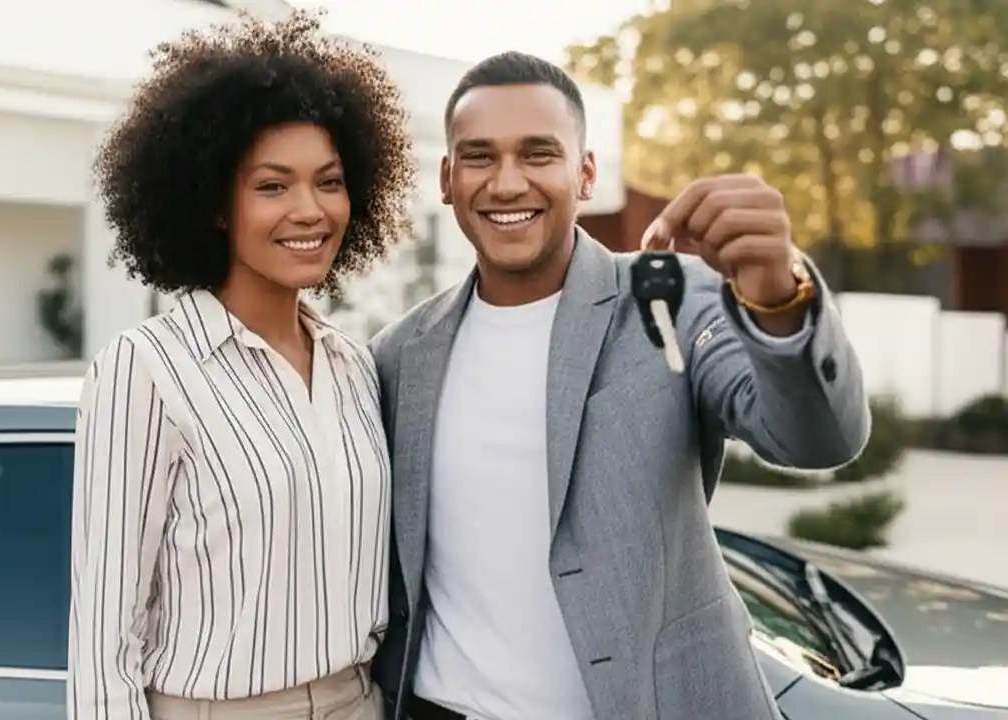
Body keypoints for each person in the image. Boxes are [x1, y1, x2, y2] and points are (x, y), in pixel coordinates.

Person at [368, 51, 870, 720]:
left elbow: (815, 439)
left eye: (538, 154)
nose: (507, 182)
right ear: (447, 178)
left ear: (586, 172)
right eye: (480, 156)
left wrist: (779, 298)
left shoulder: (669, 301)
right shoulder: (400, 353)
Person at [68, 12, 415, 720]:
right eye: (272, 186)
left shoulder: (354, 366)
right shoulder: (147, 369)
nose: (310, 210)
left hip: (360, 702)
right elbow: (104, 635)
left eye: (329, 181)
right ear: (215, 205)